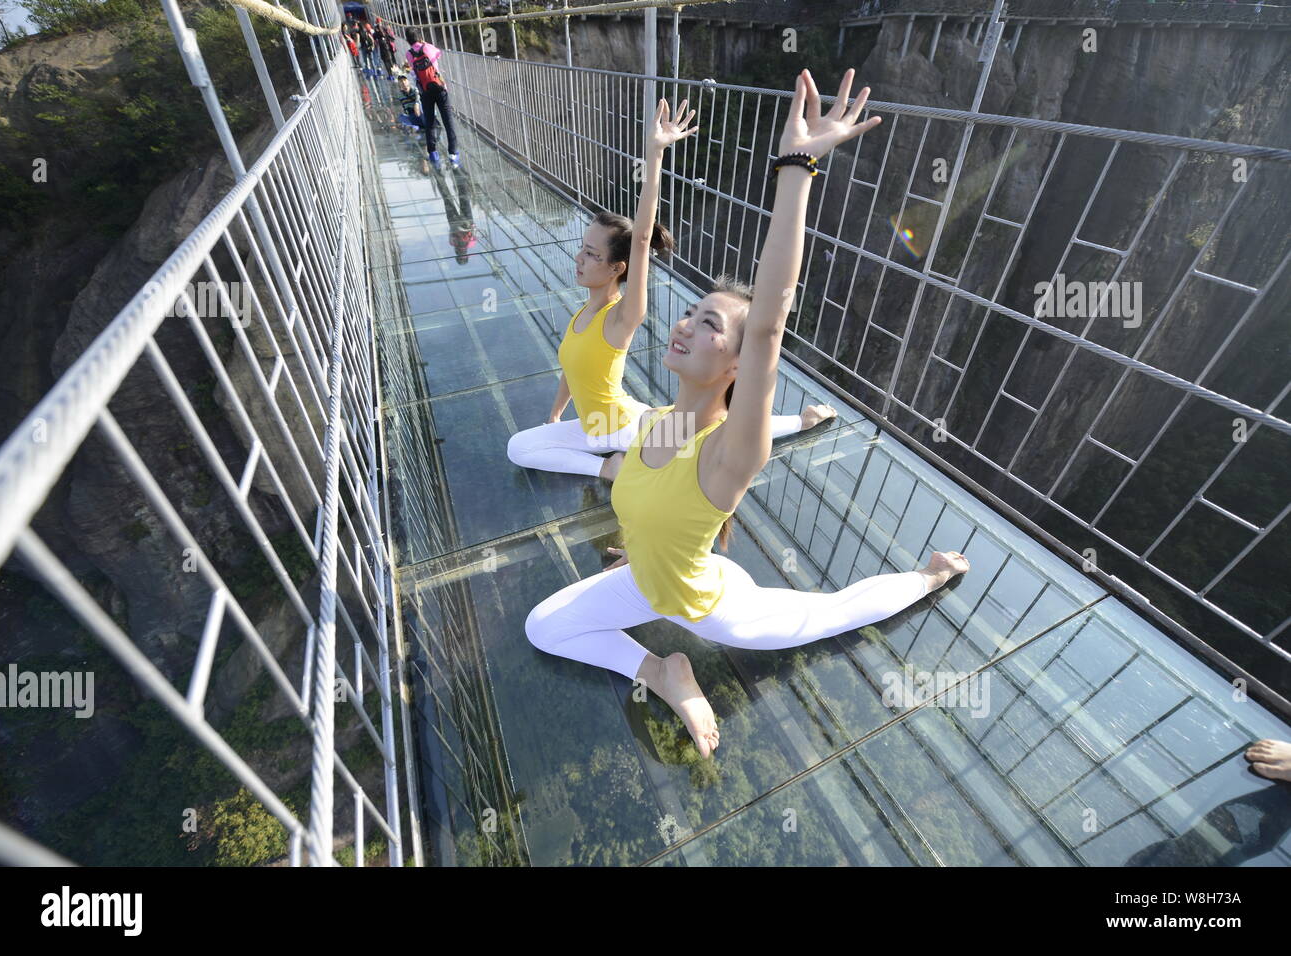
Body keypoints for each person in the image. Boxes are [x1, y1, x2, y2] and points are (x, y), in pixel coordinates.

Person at [524, 70, 971, 759]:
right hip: (647, 582)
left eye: (707, 326)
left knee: (827, 616)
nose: (682, 327)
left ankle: (931, 575)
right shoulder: (658, 423)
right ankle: (664, 671)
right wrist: (636, 552)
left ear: (735, 365)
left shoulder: (727, 452)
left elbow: (766, 325)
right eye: (691, 313)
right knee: (543, 626)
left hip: (711, 605)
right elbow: (645, 497)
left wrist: (798, 168)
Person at [506, 97, 836, 481]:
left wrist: (654, 154)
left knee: (715, 430)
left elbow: (642, 238)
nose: (578, 258)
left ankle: (609, 467)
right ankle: (617, 450)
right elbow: (570, 368)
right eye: (582, 248)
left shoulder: (621, 316)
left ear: (617, 268)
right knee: (521, 446)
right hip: (607, 420)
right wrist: (555, 416)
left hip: (617, 429)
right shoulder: (584, 312)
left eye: (591, 254)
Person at [404, 28, 461, 168]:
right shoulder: (428, 47)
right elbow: (439, 54)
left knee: (430, 123)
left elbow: (413, 69)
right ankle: (453, 154)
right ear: (420, 37)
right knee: (448, 122)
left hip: (425, 91)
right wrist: (425, 43)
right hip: (440, 89)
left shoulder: (408, 53)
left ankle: (433, 153)